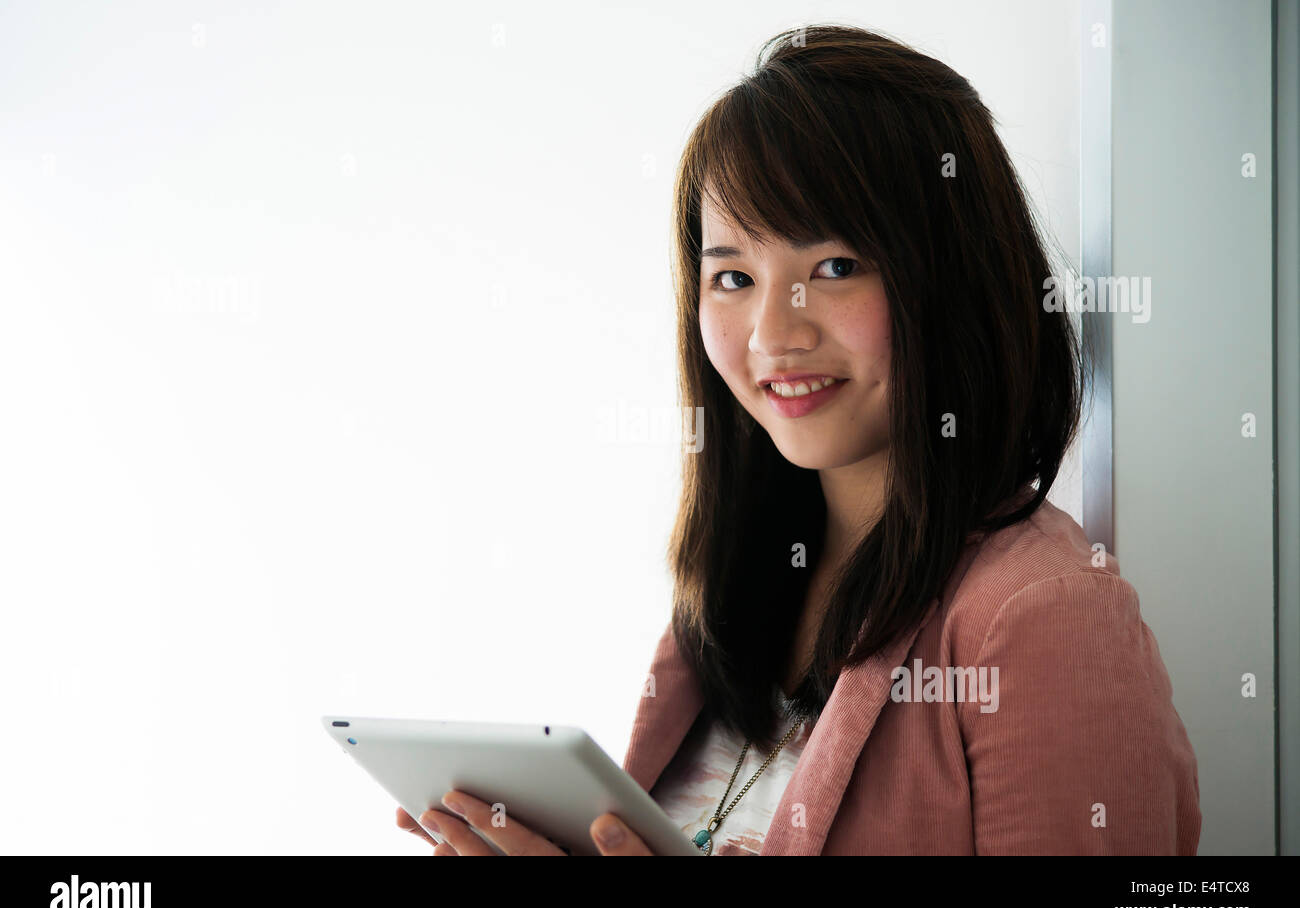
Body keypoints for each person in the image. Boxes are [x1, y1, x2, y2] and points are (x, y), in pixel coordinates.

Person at [397, 23, 1201, 856]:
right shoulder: (724, 598)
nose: (772, 335)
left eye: (834, 266)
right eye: (734, 277)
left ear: (951, 275)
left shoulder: (1043, 617)